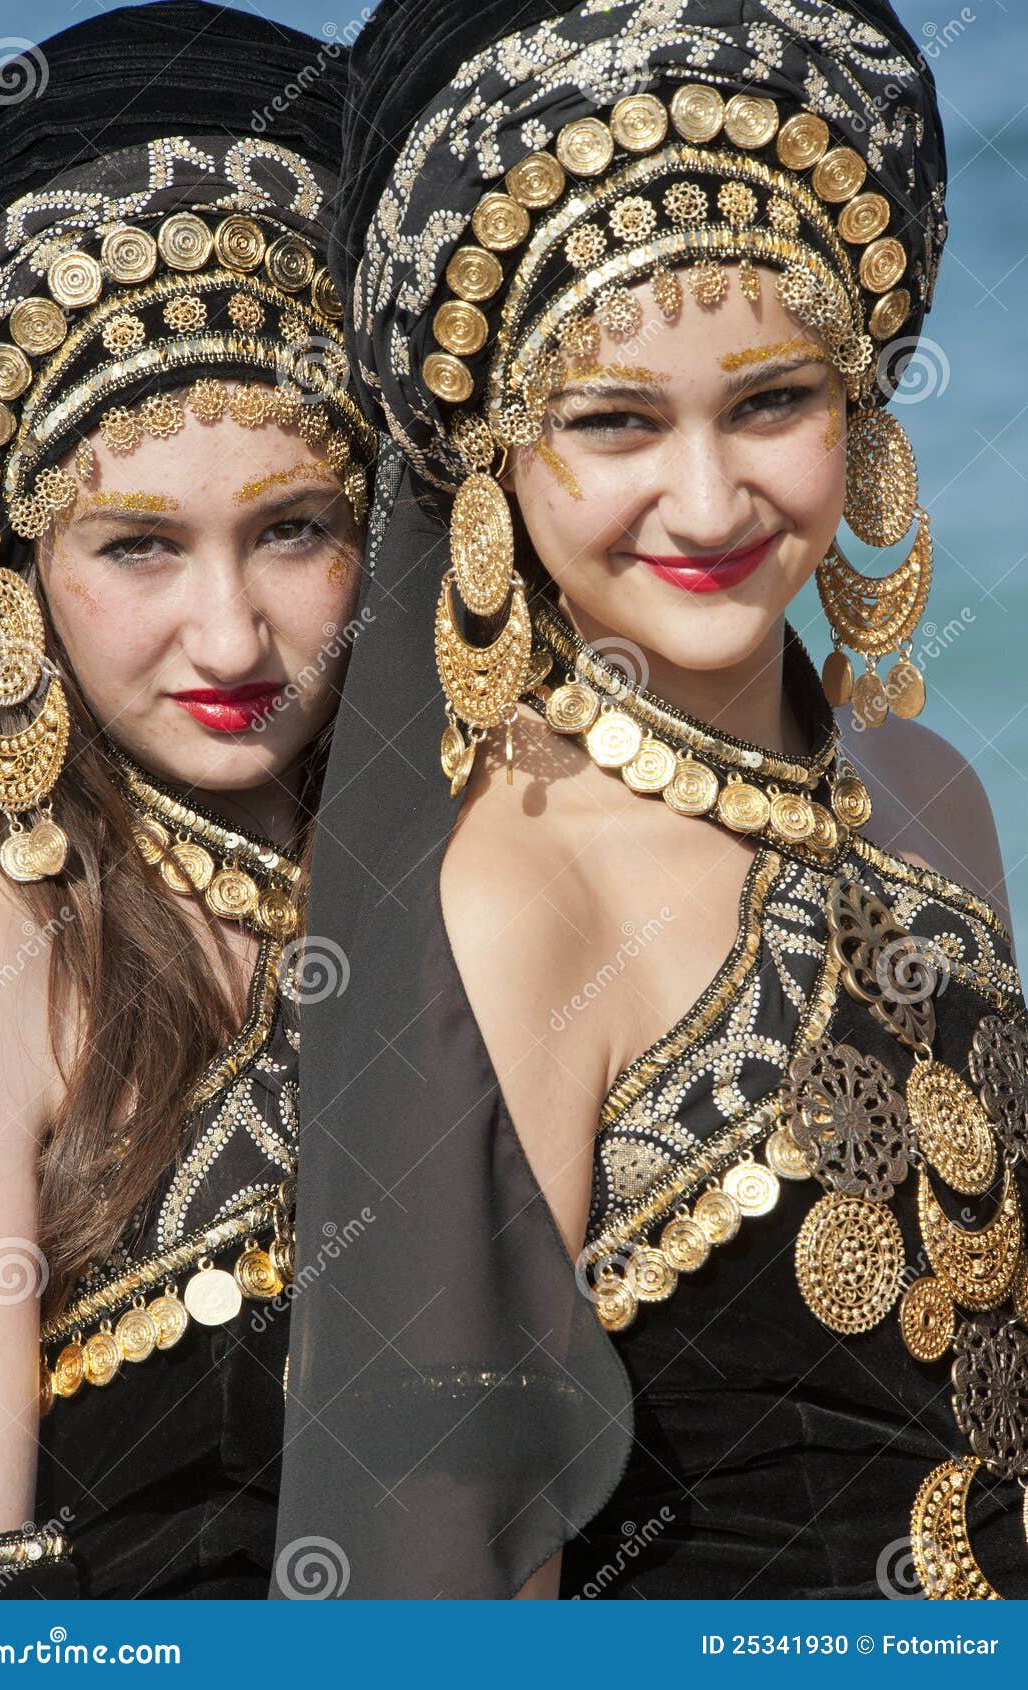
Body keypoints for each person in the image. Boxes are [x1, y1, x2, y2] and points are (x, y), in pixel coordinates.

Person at [271, 0, 1028, 1600]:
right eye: (613, 420)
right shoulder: (520, 897)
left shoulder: (933, 792)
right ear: (490, 466)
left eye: (772, 403)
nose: (707, 499)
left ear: (865, 410)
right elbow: (455, 1547)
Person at [0, 2, 374, 1599]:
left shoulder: (446, 853)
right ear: (15, 564)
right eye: (140, 545)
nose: (233, 637)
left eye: (298, 528)